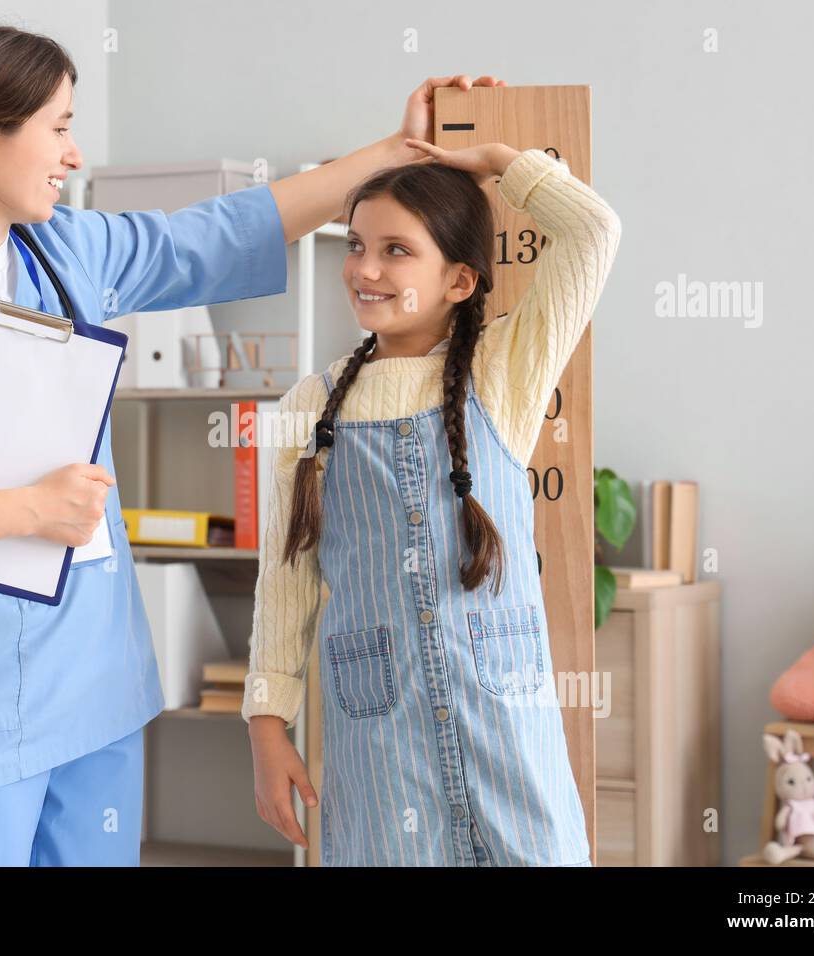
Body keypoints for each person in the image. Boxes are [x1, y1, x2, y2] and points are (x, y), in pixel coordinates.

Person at [0, 13, 491, 865]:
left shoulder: (66, 252)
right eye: (59, 128)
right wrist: (28, 508)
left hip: (93, 690)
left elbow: (221, 233)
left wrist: (390, 153)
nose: (73, 155)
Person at [244, 138, 622, 865]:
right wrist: (267, 726)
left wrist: (499, 161)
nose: (365, 269)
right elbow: (285, 583)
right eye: (356, 245)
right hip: (379, 744)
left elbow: (593, 231)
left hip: (507, 738)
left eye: (396, 250)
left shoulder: (505, 371)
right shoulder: (305, 408)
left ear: (458, 279)